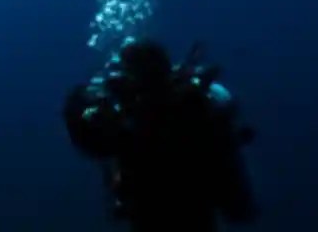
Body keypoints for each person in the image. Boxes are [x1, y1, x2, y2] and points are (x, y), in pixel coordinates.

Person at [64, 40, 258, 231]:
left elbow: (99, 146)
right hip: (193, 212)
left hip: (161, 213)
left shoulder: (147, 117)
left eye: (126, 76)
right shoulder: (188, 104)